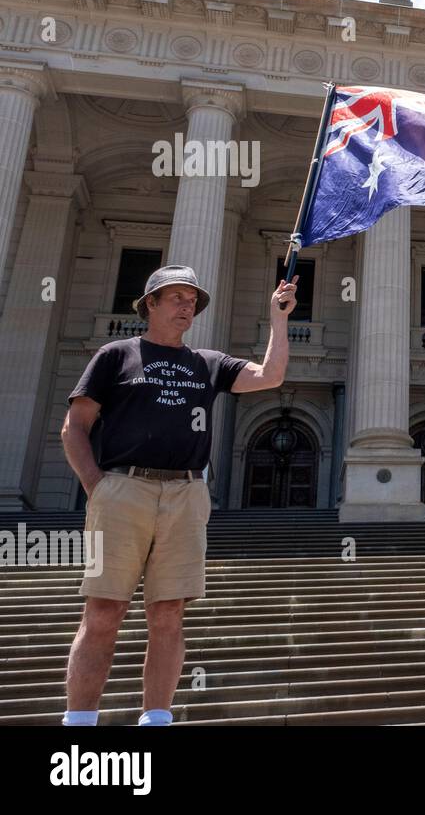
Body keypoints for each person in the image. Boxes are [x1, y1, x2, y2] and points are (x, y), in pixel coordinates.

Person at [60, 264, 297, 726]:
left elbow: (269, 376)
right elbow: (75, 427)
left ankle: (156, 720)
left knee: (168, 614)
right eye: (176, 297)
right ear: (149, 303)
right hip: (123, 488)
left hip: (186, 492)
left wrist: (279, 318)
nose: (187, 305)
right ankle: (80, 723)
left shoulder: (207, 362)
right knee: (104, 611)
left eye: (192, 300)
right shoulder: (116, 355)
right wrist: (98, 487)